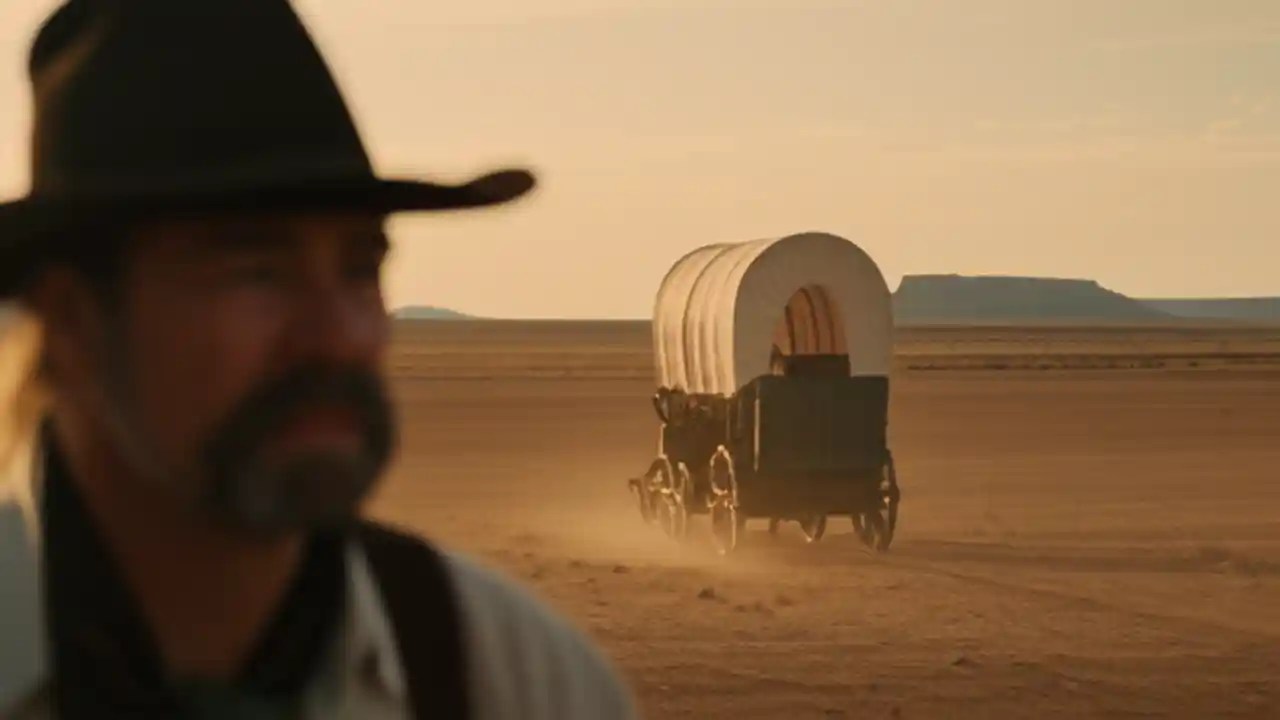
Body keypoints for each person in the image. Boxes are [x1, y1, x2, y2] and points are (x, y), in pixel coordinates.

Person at [0, 0, 638, 718]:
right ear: (71, 322)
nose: (339, 337)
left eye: (360, 270)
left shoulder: (514, 681)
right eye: (257, 273)